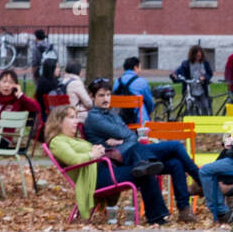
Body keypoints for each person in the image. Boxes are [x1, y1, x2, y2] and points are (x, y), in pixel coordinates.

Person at [83, 82, 203, 222]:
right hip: (121, 159)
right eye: (101, 95)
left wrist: (124, 138)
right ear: (92, 97)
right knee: (175, 146)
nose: (106, 99)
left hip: (132, 153)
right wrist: (125, 138)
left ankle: (184, 211)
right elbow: (128, 134)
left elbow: (130, 135)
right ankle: (201, 180)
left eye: (108, 95)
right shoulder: (94, 118)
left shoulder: (111, 114)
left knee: (175, 163)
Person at [44, 103, 168, 223]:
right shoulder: (57, 142)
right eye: (71, 117)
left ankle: (146, 164)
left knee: (140, 158)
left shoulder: (74, 140)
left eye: (76, 117)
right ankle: (157, 216)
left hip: (103, 169)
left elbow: (90, 153)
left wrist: (103, 146)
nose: (76, 121)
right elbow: (75, 160)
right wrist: (93, 154)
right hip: (95, 178)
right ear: (58, 121)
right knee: (143, 170)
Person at [200, 77, 233, 223]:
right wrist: (229, 142)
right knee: (225, 153)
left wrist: (230, 147)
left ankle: (222, 212)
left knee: (205, 171)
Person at [172, 45, 214, 116]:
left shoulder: (205, 63)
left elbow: (209, 73)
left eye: (200, 54)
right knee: (192, 108)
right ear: (193, 54)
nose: (199, 55)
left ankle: (205, 122)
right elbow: (178, 71)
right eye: (197, 54)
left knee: (205, 106)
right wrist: (175, 76)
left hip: (202, 90)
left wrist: (204, 77)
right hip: (190, 90)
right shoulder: (186, 64)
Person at [113, 57, 155, 125]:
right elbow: (149, 103)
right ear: (135, 67)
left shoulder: (117, 82)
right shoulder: (142, 82)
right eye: (140, 68)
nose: (140, 70)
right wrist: (150, 112)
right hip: (139, 121)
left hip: (120, 121)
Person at [30, 29, 58, 101]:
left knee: (40, 94)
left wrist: (34, 75)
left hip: (41, 74)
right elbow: (56, 59)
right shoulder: (50, 46)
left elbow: (34, 62)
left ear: (36, 37)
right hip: (52, 74)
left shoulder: (35, 47)